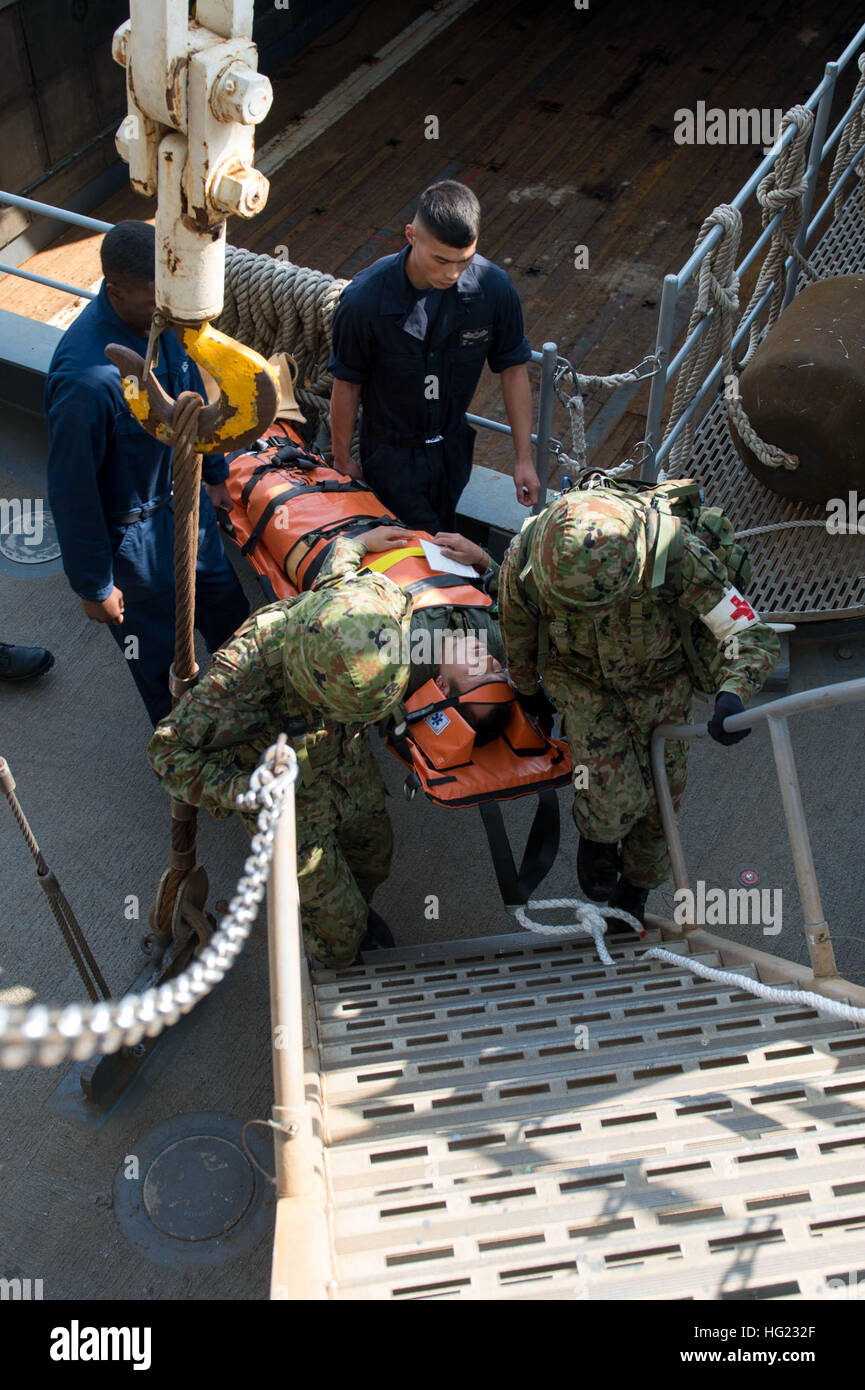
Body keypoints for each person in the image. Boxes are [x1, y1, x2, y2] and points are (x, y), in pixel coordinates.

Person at [497, 487, 781, 932]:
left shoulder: (675, 551)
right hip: (584, 682)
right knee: (613, 798)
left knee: (660, 805)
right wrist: (528, 690)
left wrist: (734, 692)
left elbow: (748, 632)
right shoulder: (527, 557)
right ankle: (598, 838)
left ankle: (636, 889)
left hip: (661, 682)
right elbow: (516, 626)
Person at [147, 536, 418, 967]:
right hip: (287, 798)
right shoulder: (239, 677)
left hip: (346, 767)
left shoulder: (362, 602)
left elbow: (339, 572)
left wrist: (359, 542)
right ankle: (333, 945)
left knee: (374, 858)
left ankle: (349, 912)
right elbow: (168, 754)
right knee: (338, 931)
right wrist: (246, 789)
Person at [44, 220, 249, 726]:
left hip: (189, 514)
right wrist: (94, 585)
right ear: (115, 291)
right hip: (132, 546)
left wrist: (216, 473)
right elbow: (73, 494)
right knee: (158, 663)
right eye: (155, 298)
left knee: (236, 627)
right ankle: (185, 753)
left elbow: (191, 402)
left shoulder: (162, 319)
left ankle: (251, 713)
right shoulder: (85, 382)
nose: (169, 308)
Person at [329, 180, 540, 533]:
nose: (452, 273)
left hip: (453, 450)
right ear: (411, 235)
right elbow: (346, 384)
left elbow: (513, 370)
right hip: (389, 454)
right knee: (416, 542)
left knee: (442, 530)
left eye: (464, 260)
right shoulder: (364, 302)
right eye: (441, 260)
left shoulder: (494, 289)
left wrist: (523, 459)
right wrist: (341, 459)